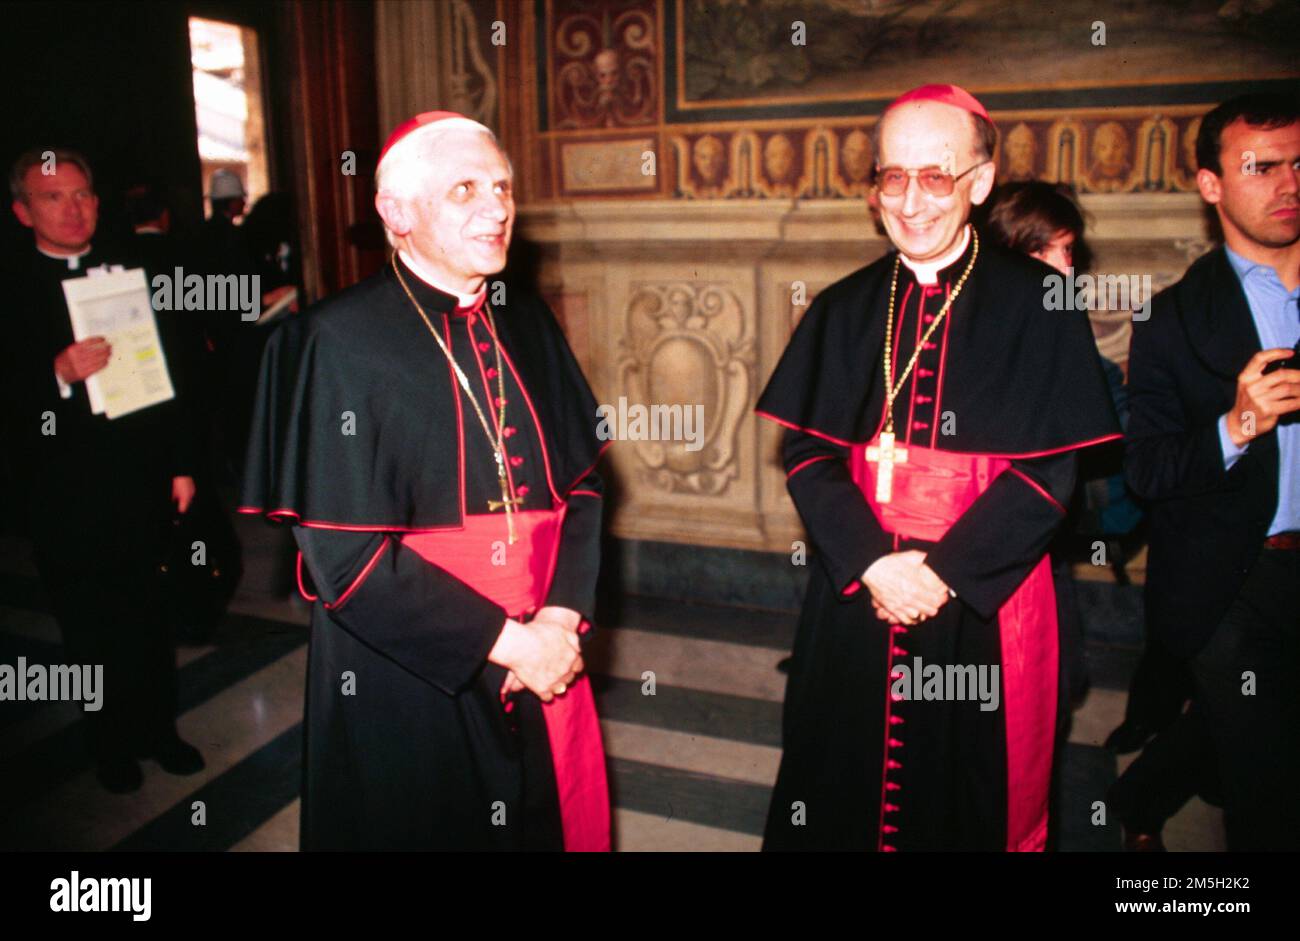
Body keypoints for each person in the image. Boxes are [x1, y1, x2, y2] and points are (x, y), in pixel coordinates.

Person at [756, 85, 1120, 852]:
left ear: (980, 184)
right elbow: (810, 452)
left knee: (966, 796)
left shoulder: (1041, 301)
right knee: (836, 780)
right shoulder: (845, 305)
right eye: (894, 177)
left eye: (936, 177)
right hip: (860, 593)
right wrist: (874, 563)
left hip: (982, 598)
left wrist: (940, 573)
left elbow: (1048, 473)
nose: (912, 201)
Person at [239, 111, 610, 851]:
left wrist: (560, 623)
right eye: (466, 188)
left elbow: (588, 487)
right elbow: (346, 564)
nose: (498, 207)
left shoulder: (526, 320)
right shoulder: (333, 342)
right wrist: (507, 642)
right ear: (396, 212)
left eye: (502, 187)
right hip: (407, 671)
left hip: (543, 641)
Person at [1124, 92, 1300, 851]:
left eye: (1299, 163)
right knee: (1269, 789)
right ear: (1211, 185)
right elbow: (1148, 471)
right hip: (1236, 581)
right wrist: (1236, 426)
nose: (1288, 182)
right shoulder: (1172, 321)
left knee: (1250, 726)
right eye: (1260, 167)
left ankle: (1139, 796)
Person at [1, 147, 203, 793]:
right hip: (61, 492)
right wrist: (54, 376)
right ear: (22, 210)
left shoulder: (134, 268)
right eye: (54, 197)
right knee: (90, 627)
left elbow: (176, 373)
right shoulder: (9, 288)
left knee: (151, 614)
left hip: (141, 477)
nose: (74, 208)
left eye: (83, 193)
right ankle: (110, 743)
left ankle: (160, 730)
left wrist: (183, 463)